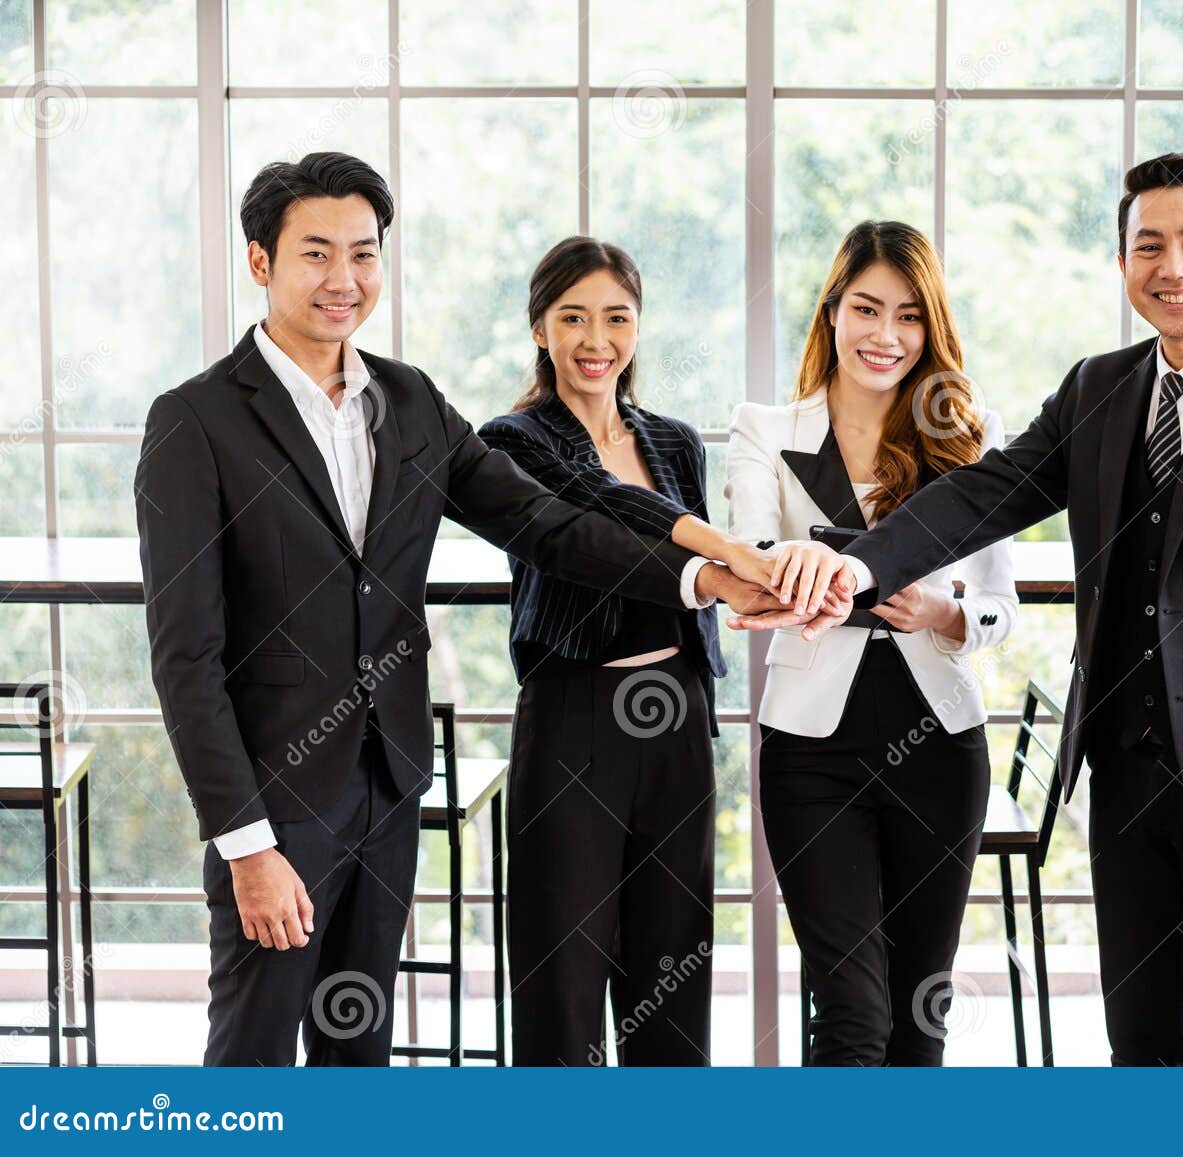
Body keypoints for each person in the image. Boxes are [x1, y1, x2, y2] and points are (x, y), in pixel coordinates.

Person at [134, 152, 776, 1066]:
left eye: (364, 253)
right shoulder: (194, 421)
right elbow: (184, 657)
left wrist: (702, 578)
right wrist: (244, 842)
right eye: (316, 253)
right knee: (253, 1055)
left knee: (359, 1051)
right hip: (276, 800)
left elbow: (548, 524)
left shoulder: (411, 399)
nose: (344, 279)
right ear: (260, 261)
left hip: (389, 785)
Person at [736, 155, 1183, 1066]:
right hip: (1124, 784)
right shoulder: (1100, 389)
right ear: (1122, 265)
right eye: (1147, 246)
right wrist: (854, 567)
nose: (1173, 267)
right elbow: (982, 496)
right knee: (1143, 1047)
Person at [477, 237, 796, 1065]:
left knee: (673, 957)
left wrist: (750, 578)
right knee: (564, 971)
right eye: (572, 318)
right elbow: (602, 517)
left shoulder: (677, 442)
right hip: (574, 718)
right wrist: (721, 564)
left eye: (617, 317)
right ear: (539, 329)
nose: (596, 339)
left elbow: (677, 570)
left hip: (677, 717)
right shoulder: (514, 442)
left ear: (639, 327)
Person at [728, 221, 1017, 1065]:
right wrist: (798, 568)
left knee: (919, 1008)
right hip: (811, 755)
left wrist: (942, 610)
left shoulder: (968, 435)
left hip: (940, 746)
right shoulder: (766, 429)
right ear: (830, 314)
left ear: (931, 328)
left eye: (908, 316)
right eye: (865, 309)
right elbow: (751, 554)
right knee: (852, 1011)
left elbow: (1002, 606)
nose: (885, 336)